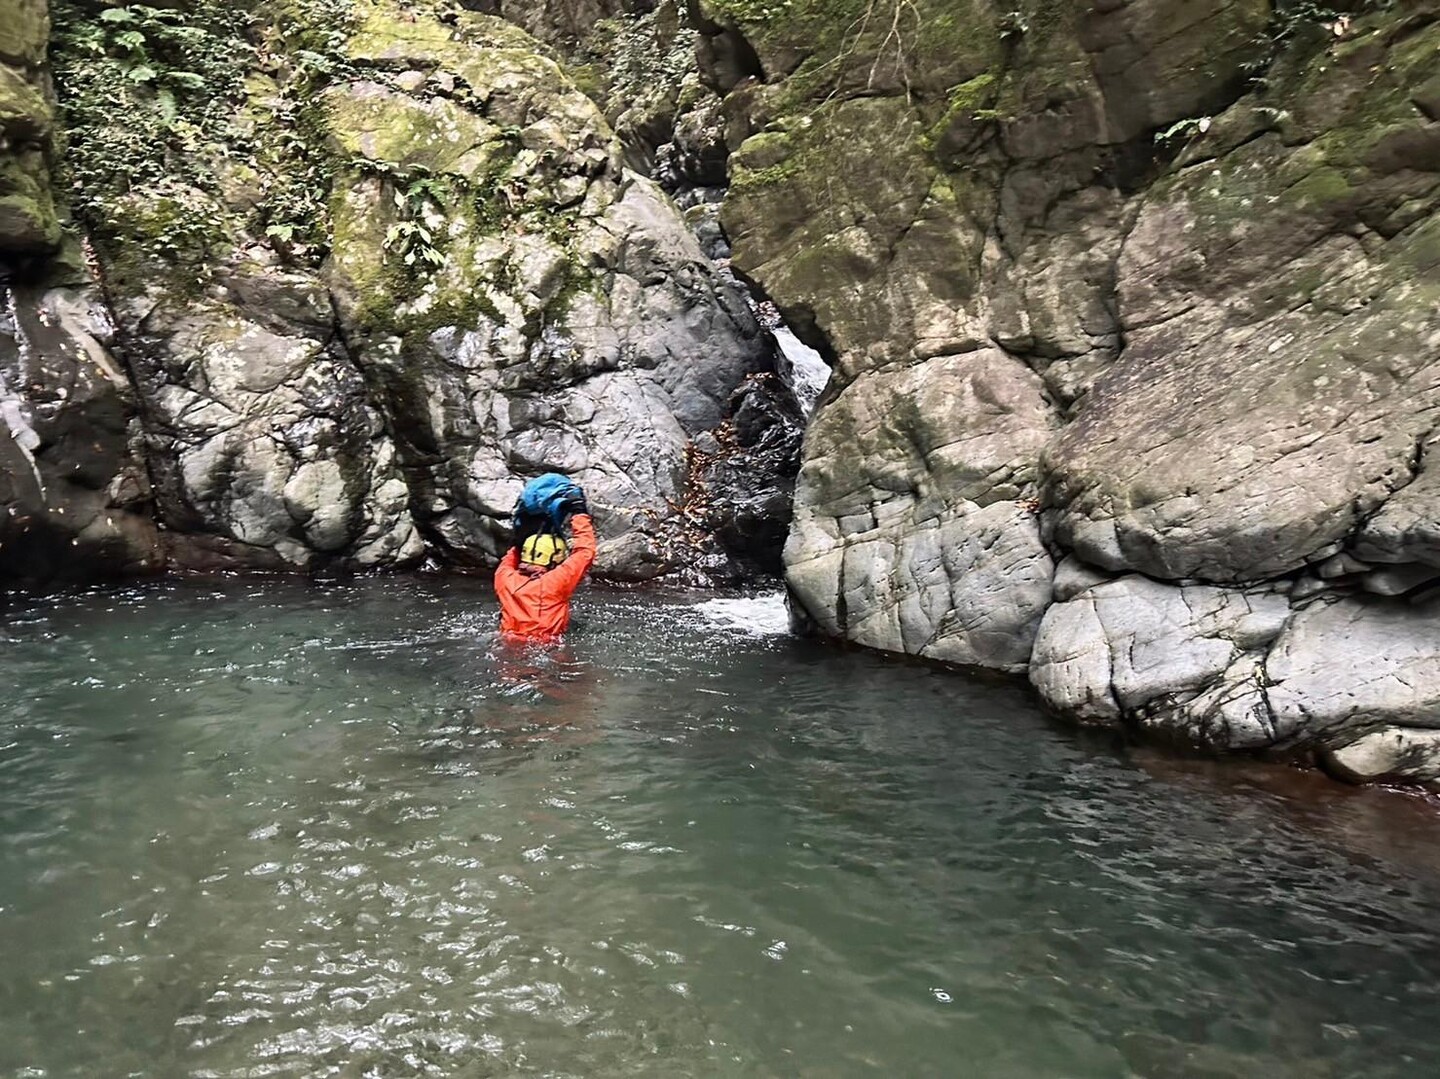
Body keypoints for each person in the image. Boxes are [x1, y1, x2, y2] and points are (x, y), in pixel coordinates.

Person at [495, 476, 595, 643]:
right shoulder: (555, 583)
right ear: (555, 560)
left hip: (506, 643)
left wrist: (527, 527)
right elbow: (585, 552)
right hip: (545, 647)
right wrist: (579, 513)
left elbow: (513, 551)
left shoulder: (504, 577)